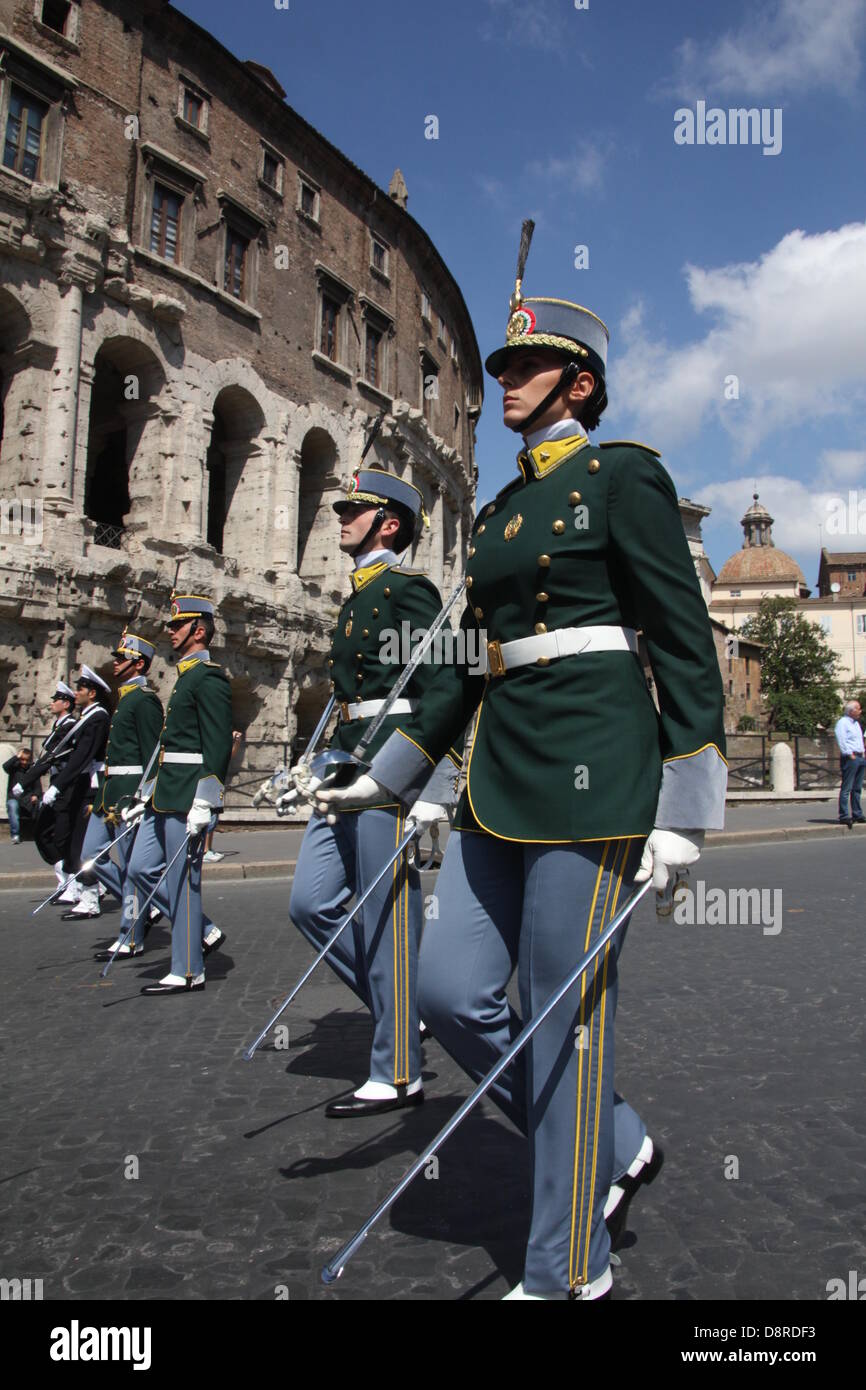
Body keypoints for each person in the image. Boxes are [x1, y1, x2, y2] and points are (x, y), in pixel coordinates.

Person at [315, 224, 727, 1297]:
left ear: (578, 385)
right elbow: (462, 655)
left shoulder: (621, 476)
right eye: (497, 368)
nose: (503, 381)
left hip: (592, 770)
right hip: (498, 780)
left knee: (566, 1021)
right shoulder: (498, 512)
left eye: (523, 367)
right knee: (452, 990)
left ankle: (563, 1270)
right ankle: (614, 1139)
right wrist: (392, 772)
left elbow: (681, 639)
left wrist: (687, 806)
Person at [286, 466, 461, 1117]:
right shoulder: (357, 596)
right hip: (343, 763)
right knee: (310, 902)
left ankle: (398, 1072)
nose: (340, 518)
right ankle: (405, 1007)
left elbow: (442, 688)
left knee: (385, 916)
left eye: (352, 511)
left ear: (388, 523)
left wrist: (427, 782)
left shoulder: (408, 591)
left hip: (388, 767)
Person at [126, 595, 233, 995]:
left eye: (177, 625)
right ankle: (203, 930)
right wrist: (145, 792)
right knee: (138, 868)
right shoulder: (186, 677)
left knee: (182, 881)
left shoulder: (208, 678)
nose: (170, 631)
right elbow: (170, 745)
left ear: (199, 630)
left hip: (187, 795)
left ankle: (188, 969)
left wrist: (207, 799)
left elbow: (217, 742)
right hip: (164, 793)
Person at [63, 629, 163, 924]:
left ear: (140, 665)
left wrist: (145, 796)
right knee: (90, 854)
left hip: (128, 793)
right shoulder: (126, 699)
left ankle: (132, 927)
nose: (116, 663)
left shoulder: (144, 700)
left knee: (132, 863)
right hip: (109, 793)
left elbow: (151, 754)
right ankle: (145, 904)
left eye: (123, 659)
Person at [41, 666, 112, 915]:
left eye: (80, 689)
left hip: (92, 786)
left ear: (91, 693)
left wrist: (58, 786)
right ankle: (86, 889)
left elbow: (82, 755)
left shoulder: (98, 717)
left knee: (85, 845)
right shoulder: (88, 717)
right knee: (75, 843)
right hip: (82, 784)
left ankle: (92, 897)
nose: (75, 693)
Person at [15, 682, 77, 886]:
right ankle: (66, 878)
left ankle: (76, 881)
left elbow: (49, 759)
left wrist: (25, 782)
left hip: (65, 788)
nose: (52, 703)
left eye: (56, 700)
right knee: (43, 834)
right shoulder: (59, 726)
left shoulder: (69, 727)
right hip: (55, 785)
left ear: (66, 703)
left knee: (60, 837)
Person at [203, 730, 243, 861]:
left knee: (213, 820)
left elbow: (229, 755)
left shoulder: (218, 755)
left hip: (216, 788)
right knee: (209, 819)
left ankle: (208, 849)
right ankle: (205, 851)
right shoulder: (210, 754)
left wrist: (236, 742)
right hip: (208, 788)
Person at [834, 699, 865, 828]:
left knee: (857, 788)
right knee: (847, 787)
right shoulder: (843, 723)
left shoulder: (856, 724)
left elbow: (859, 740)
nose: (860, 711)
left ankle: (857, 813)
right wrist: (849, 754)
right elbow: (841, 739)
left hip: (859, 757)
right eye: (858, 708)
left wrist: (863, 752)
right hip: (850, 758)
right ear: (851, 710)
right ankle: (844, 815)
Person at [4, 747, 34, 842]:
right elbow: (5, 766)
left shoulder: (32, 770)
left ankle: (36, 834)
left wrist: (36, 795)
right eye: (22, 759)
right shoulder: (14, 768)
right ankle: (15, 835)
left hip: (27, 798)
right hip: (14, 798)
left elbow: (37, 785)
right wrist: (16, 757)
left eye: (26, 760)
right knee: (12, 806)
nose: (24, 762)